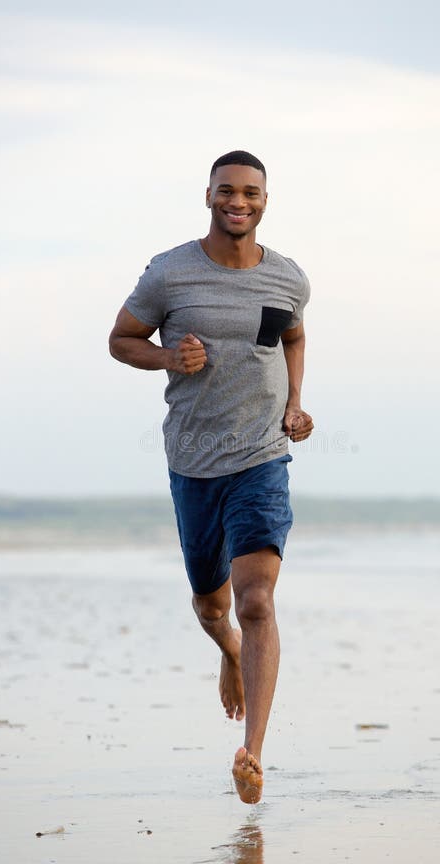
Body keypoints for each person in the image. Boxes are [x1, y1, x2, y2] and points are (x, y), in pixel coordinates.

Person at [108, 150, 313, 804]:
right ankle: (229, 653)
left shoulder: (287, 279)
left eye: (251, 193)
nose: (239, 202)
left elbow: (293, 337)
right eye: (228, 191)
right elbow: (121, 338)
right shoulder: (170, 274)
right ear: (208, 196)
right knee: (212, 606)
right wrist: (167, 354)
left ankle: (252, 752)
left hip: (262, 457)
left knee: (257, 601)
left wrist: (294, 403)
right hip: (194, 464)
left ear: (264, 200)